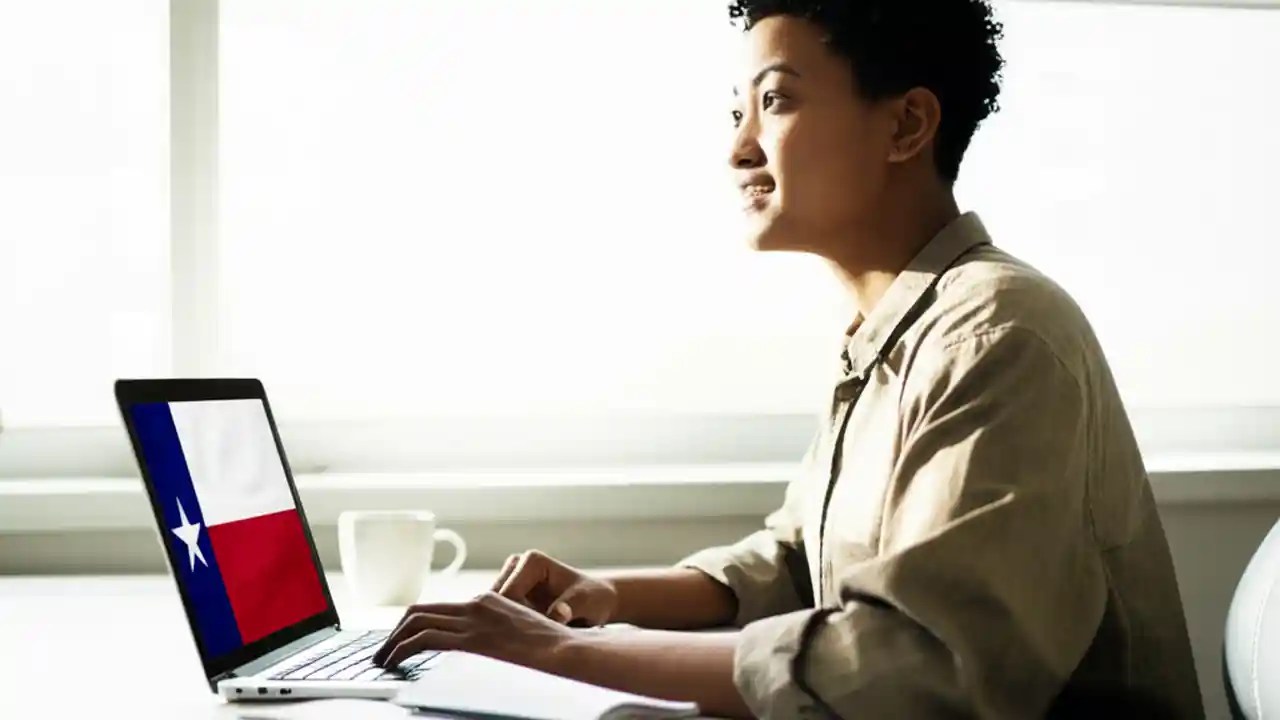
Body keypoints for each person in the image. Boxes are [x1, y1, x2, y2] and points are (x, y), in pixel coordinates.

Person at [373, 1, 1205, 717]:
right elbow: (799, 556)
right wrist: (608, 594)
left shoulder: (994, 334)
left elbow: (908, 667)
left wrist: (561, 654)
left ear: (908, 124)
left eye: (774, 102)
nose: (740, 149)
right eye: (737, 112)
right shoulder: (894, 327)